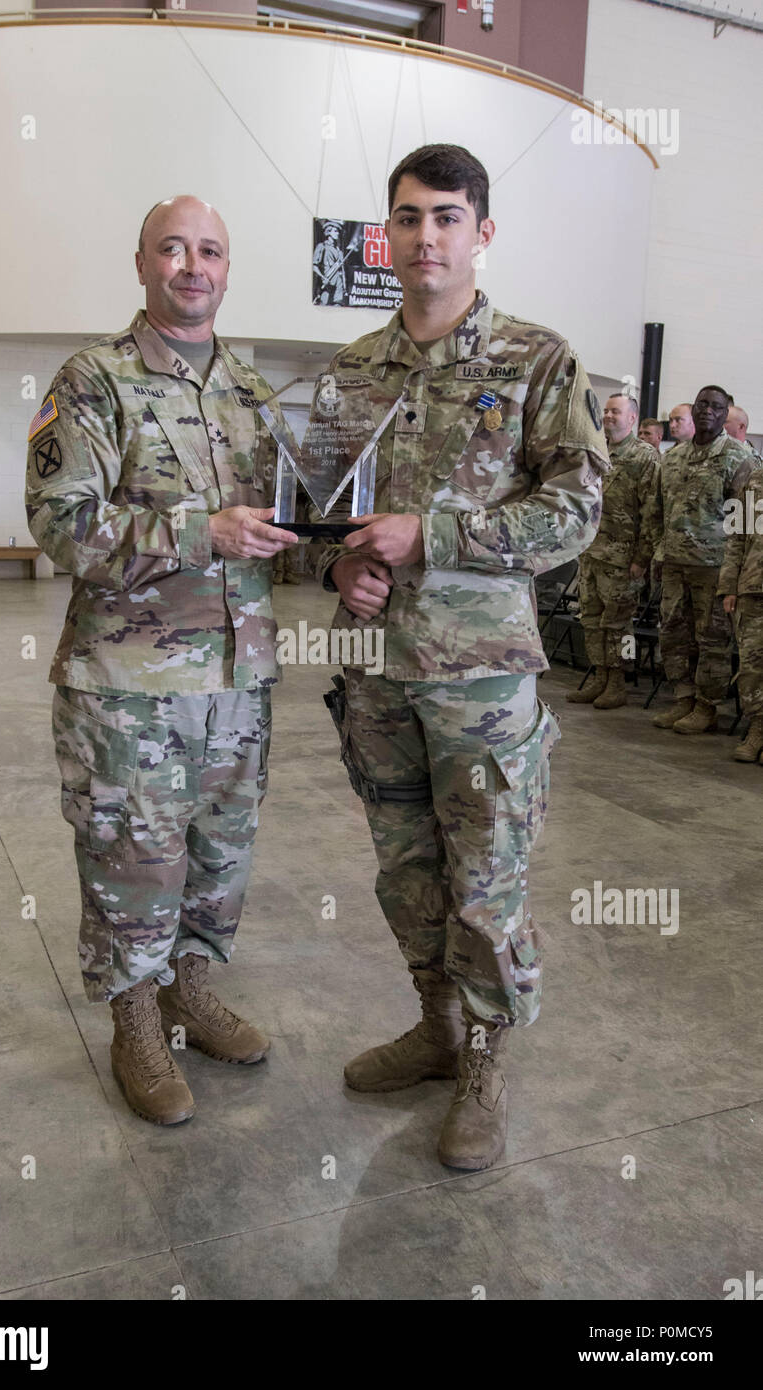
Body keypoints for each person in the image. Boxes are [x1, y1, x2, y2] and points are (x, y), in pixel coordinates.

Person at [315, 144, 608, 1172]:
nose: (424, 236)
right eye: (406, 217)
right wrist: (340, 569)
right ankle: (434, 1026)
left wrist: (430, 536)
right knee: (405, 871)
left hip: (481, 681)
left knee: (486, 879)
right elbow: (332, 518)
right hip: (378, 674)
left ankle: (484, 1062)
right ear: (383, 235)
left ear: (480, 232)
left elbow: (574, 509)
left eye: (445, 217)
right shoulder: (353, 370)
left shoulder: (536, 360)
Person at [25, 196, 298, 1126]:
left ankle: (189, 988)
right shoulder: (93, 380)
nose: (193, 264)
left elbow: (294, 520)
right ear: (141, 262)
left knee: (221, 855)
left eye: (211, 249)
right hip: (130, 688)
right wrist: (198, 531)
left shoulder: (255, 396)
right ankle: (133, 1020)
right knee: (133, 858)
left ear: (228, 268)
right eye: (173, 248)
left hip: (240, 680)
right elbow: (60, 524)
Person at [642, 385, 757, 734]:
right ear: (693, 410)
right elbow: (657, 511)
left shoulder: (739, 458)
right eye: (702, 404)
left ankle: (707, 706)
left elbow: (745, 523)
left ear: (727, 414)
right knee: (675, 634)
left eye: (717, 407)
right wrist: (659, 550)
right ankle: (684, 698)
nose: (708, 411)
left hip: (714, 567)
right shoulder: (673, 457)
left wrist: (735, 577)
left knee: (711, 640)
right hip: (674, 563)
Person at [567, 393, 659, 709]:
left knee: (618, 623)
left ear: (632, 418)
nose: (608, 416)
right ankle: (600, 677)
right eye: (606, 410)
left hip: (623, 557)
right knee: (590, 619)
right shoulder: (595, 450)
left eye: (615, 411)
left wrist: (642, 558)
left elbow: (652, 511)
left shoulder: (645, 457)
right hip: (591, 550)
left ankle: (618, 682)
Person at [719, 469, 763, 762]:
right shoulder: (755, 480)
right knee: (752, 664)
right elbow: (736, 536)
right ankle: (757, 728)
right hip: (753, 586)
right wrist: (729, 585)